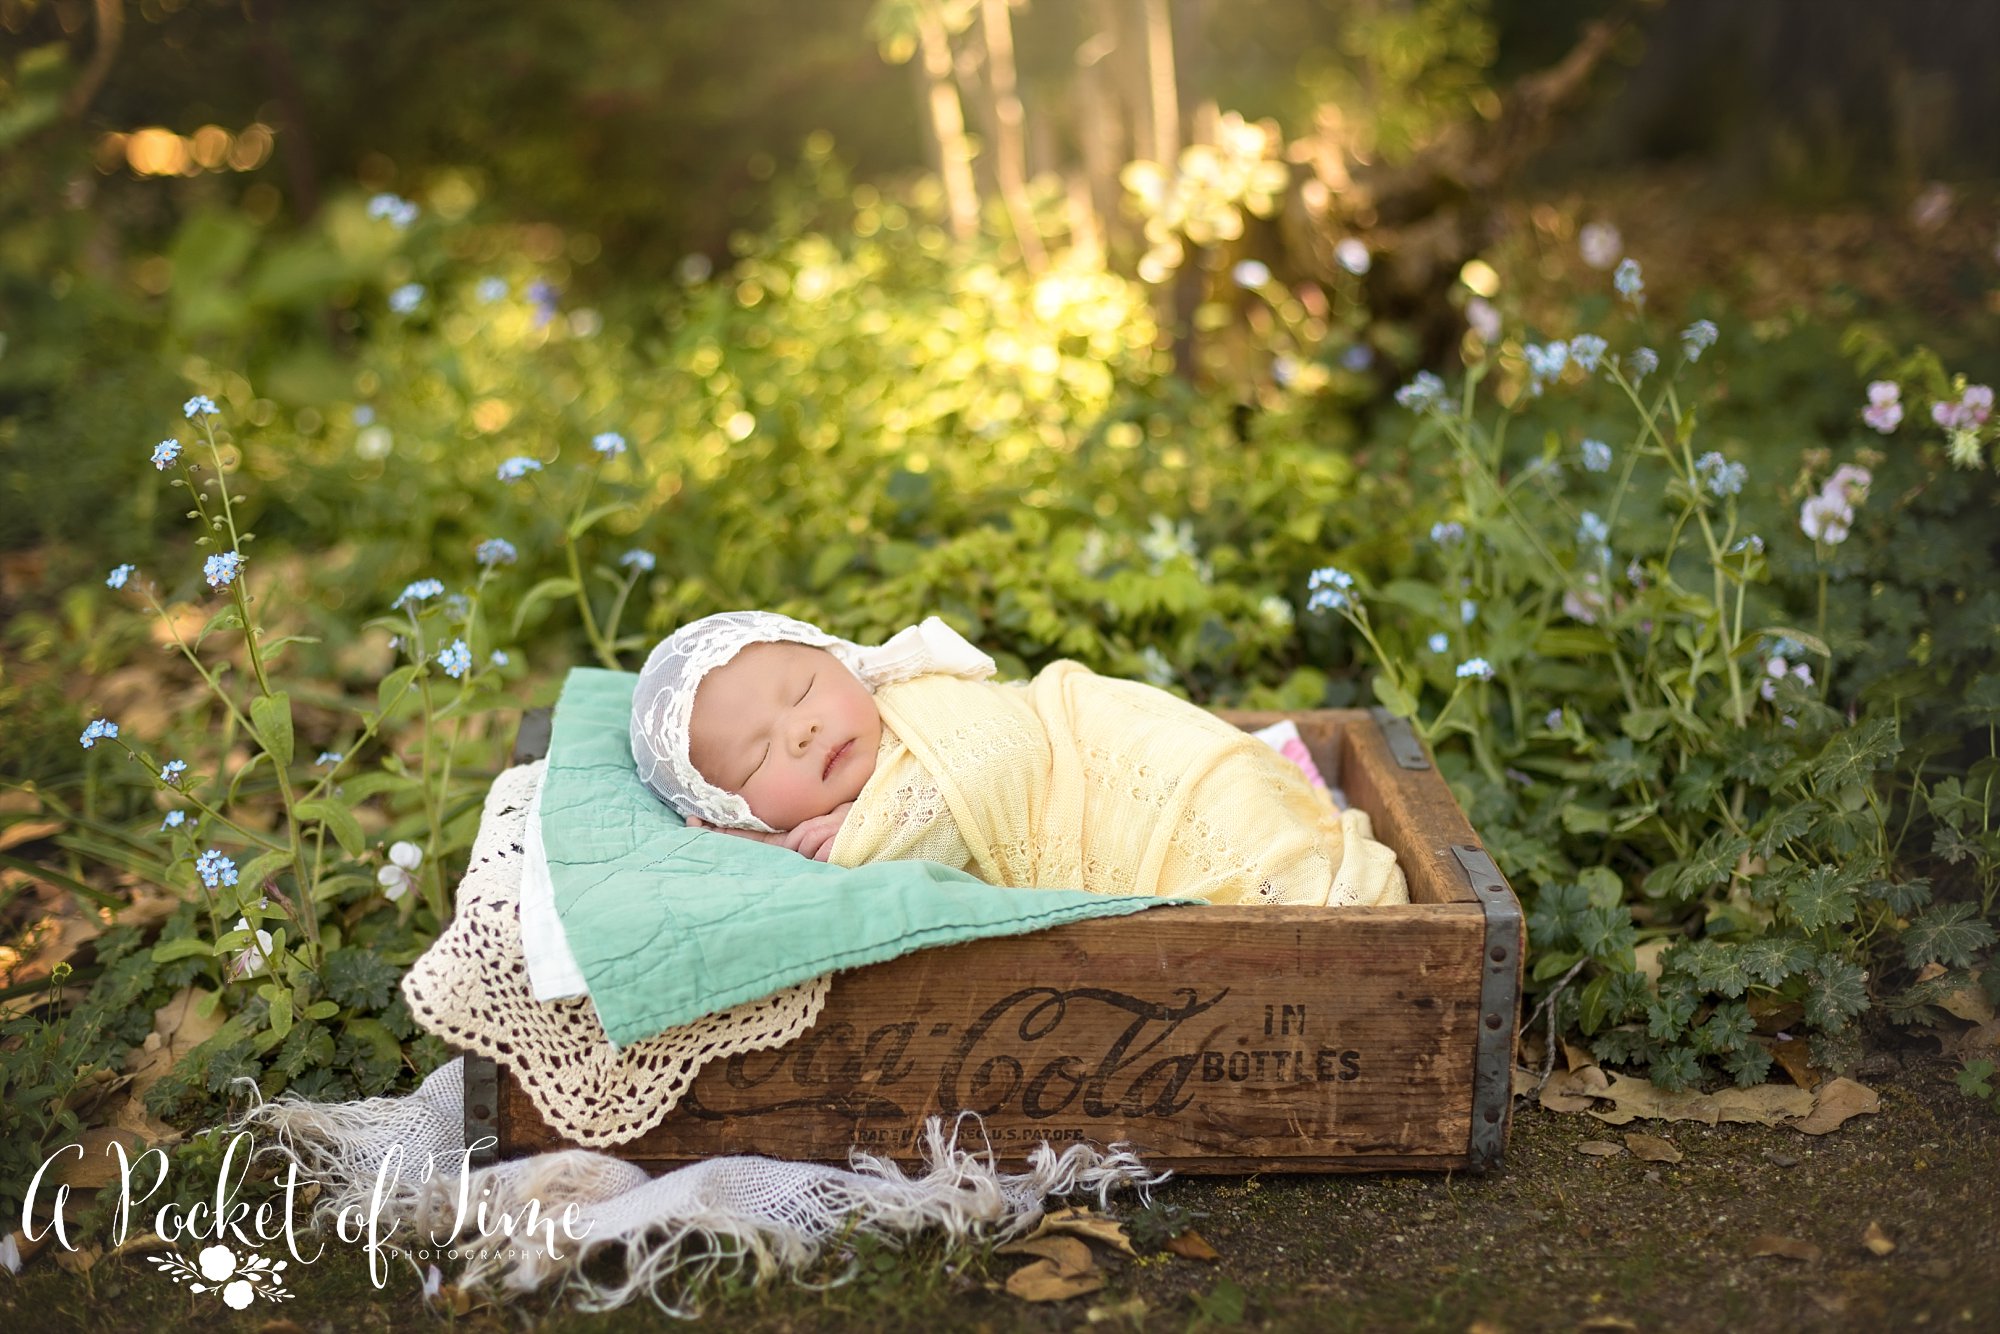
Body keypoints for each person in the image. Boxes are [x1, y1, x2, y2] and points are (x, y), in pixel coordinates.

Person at [630, 611, 1406, 907]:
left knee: (1230, 812)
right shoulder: (843, 811)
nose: (798, 731)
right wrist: (780, 851)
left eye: (802, 689)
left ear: (844, 663)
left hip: (1124, 754)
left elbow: (991, 767)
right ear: (735, 808)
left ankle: (1305, 866)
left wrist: (853, 845)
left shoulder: (923, 696)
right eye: (759, 754)